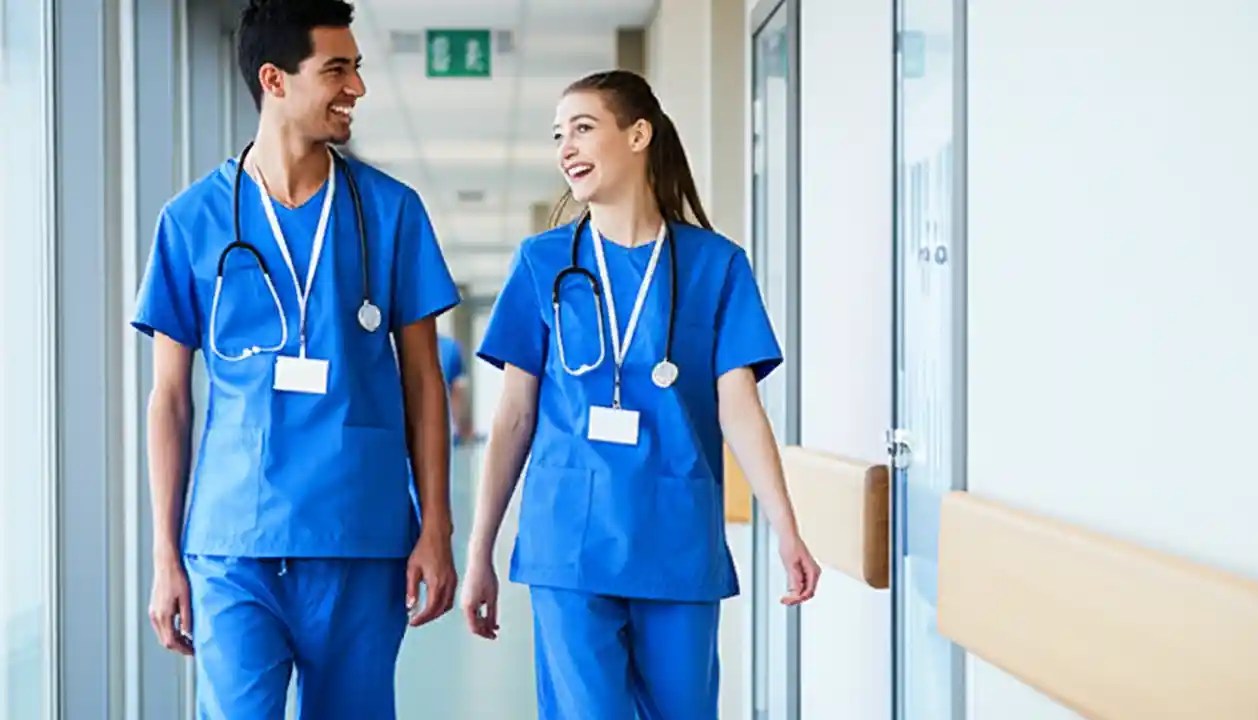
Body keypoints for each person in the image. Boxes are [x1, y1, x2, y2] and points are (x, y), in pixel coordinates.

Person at [130, 1, 460, 717]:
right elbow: (170, 400)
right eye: (337, 70)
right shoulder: (191, 221)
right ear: (274, 80)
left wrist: (438, 526)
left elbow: (423, 382)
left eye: (358, 69)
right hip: (234, 545)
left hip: (360, 537)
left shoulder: (391, 212)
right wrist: (165, 556)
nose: (356, 89)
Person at [460, 69, 821, 719]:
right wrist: (479, 547)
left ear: (639, 134)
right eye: (557, 135)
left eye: (583, 128)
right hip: (567, 543)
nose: (566, 146)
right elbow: (513, 416)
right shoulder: (544, 262)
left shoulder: (716, 265)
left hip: (676, 540)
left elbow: (739, 405)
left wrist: (786, 528)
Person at [438, 333, 475, 442]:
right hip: (443, 432)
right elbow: (458, 393)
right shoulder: (449, 348)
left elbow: (458, 391)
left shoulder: (449, 348)